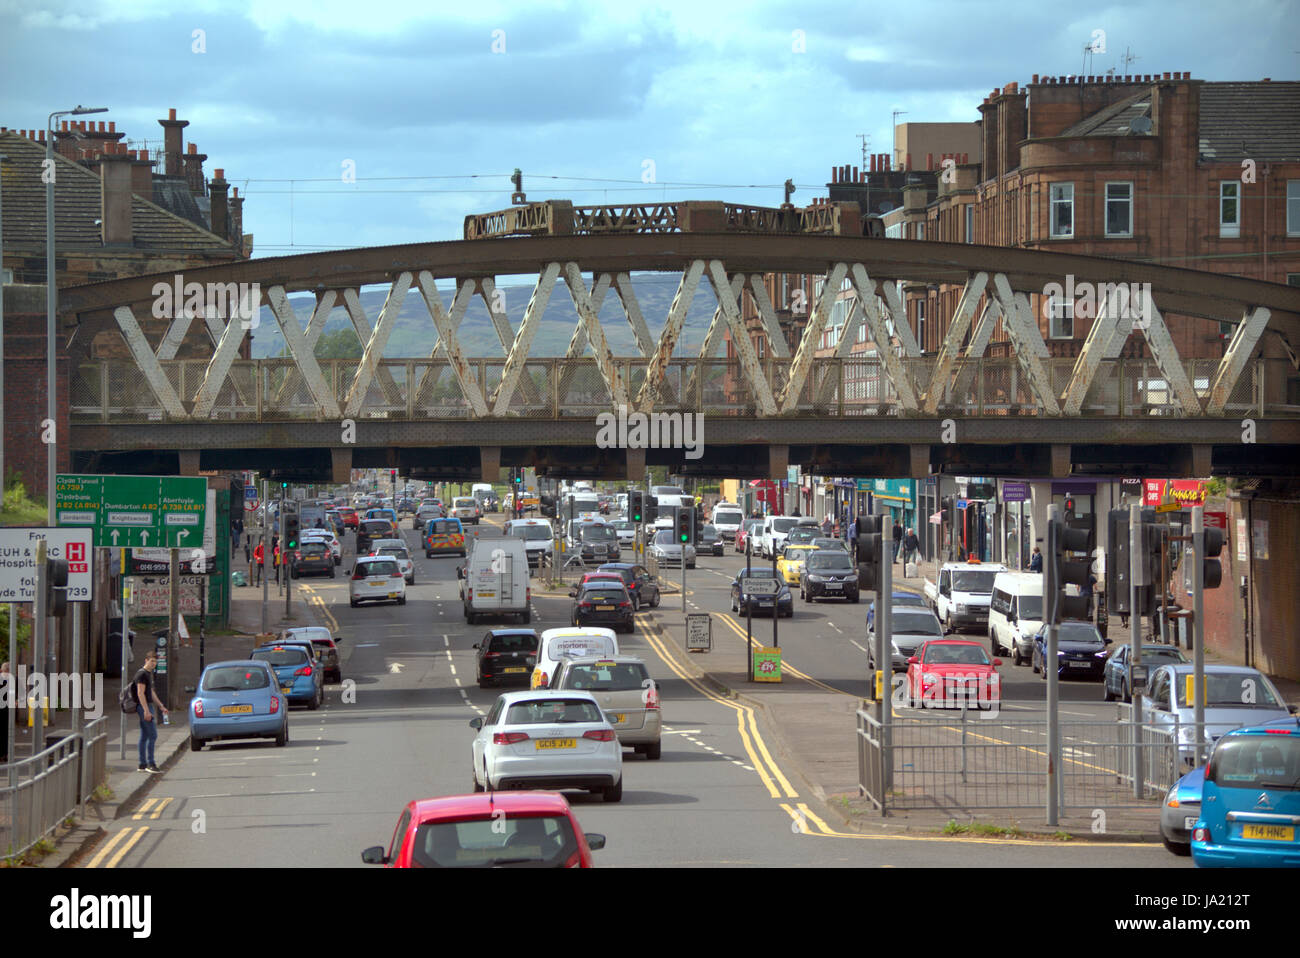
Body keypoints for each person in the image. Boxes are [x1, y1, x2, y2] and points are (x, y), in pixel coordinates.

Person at [133, 652, 168, 773]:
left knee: (144, 736)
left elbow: (151, 692)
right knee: (153, 735)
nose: (153, 664)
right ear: (146, 660)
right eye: (151, 661)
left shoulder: (148, 674)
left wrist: (161, 705)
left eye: (155, 662)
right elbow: (140, 693)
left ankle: (142, 764)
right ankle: (150, 763)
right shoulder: (142, 674)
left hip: (147, 706)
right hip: (144, 707)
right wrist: (146, 711)